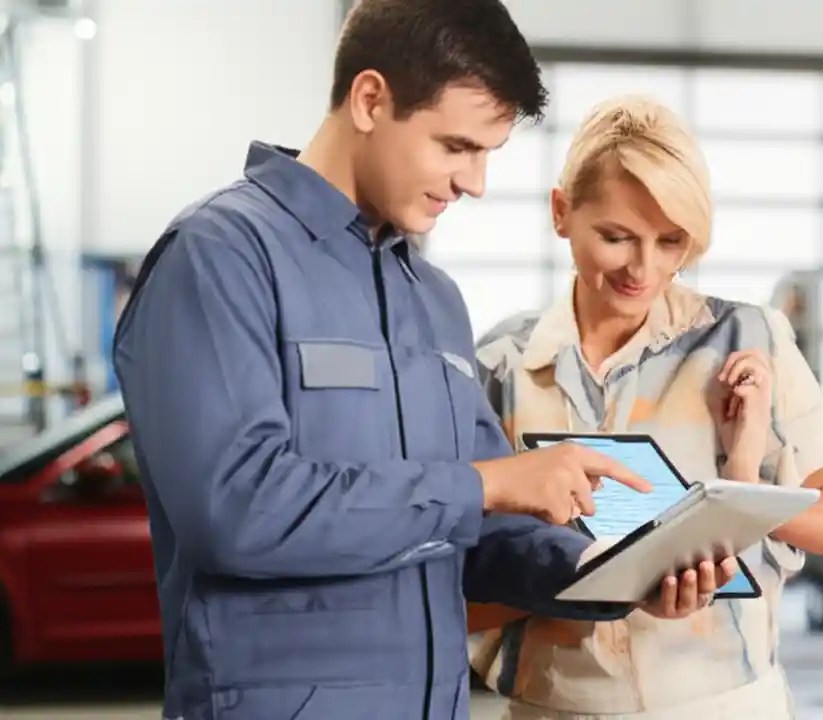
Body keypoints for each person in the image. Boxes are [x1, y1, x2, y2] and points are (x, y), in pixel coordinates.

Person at [112, 3, 729, 718]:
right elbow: (237, 509)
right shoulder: (220, 258)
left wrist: (608, 572)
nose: (475, 182)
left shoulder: (432, 299)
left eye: (487, 154)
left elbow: (481, 531)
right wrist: (484, 485)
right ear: (370, 99)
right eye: (457, 146)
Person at [469, 95, 823, 719]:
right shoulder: (501, 364)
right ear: (561, 213)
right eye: (616, 237)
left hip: (720, 703)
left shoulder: (746, 340)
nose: (646, 268)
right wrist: (604, 581)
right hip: (553, 705)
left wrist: (741, 489)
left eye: (672, 242)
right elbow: (461, 575)